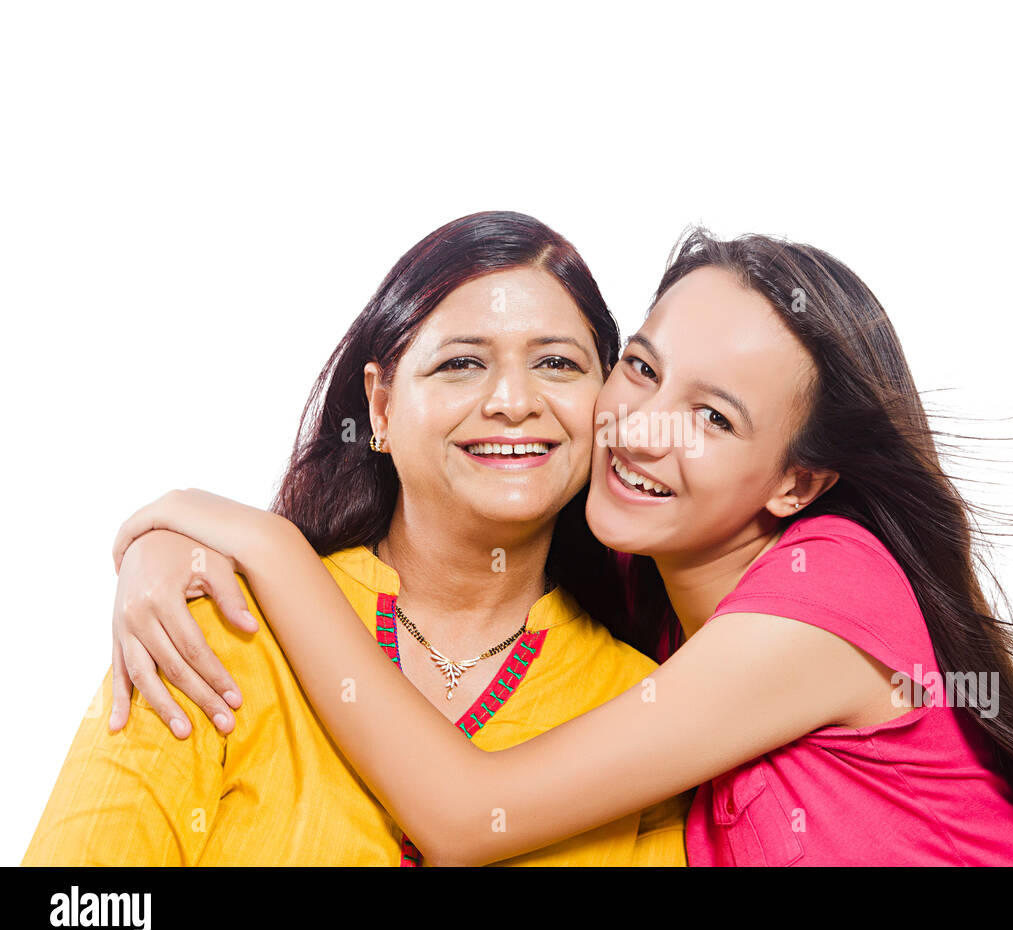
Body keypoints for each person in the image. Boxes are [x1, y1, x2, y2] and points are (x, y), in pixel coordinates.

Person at [96, 229, 1013, 866]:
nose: (640, 429)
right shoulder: (649, 598)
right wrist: (165, 552)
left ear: (798, 482)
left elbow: (467, 813)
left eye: (714, 418)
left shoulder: (829, 588)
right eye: (640, 368)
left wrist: (262, 543)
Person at [21, 211, 690, 867]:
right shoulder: (213, 632)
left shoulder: (642, 709)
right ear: (381, 406)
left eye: (557, 363)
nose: (514, 401)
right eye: (461, 363)